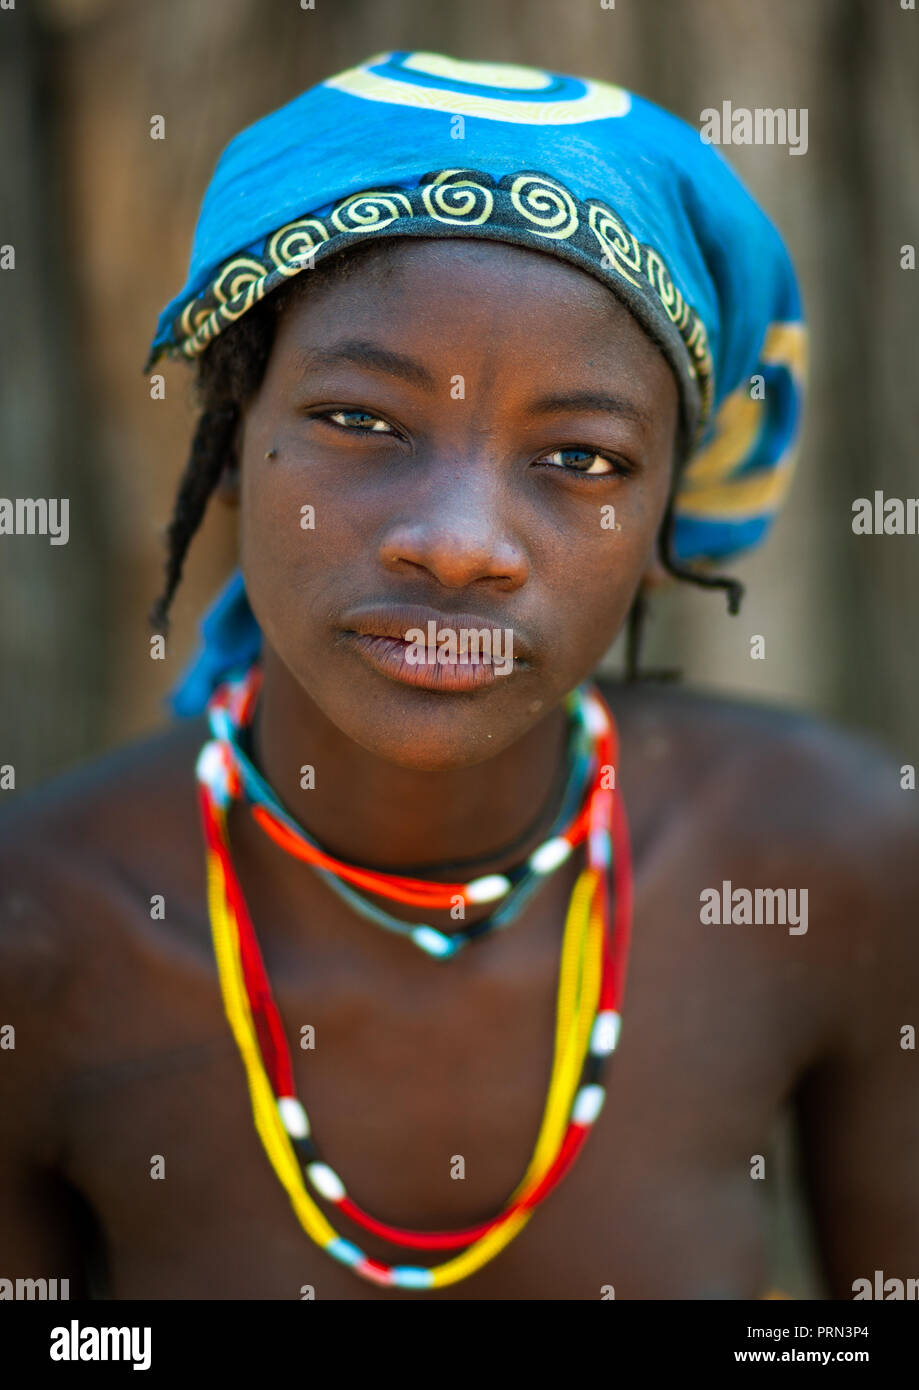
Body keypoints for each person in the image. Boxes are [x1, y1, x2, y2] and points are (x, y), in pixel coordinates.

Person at [1, 52, 916, 1301]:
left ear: (666, 528)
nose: (459, 541)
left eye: (582, 457)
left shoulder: (828, 864)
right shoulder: (41, 940)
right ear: (230, 441)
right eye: (360, 421)